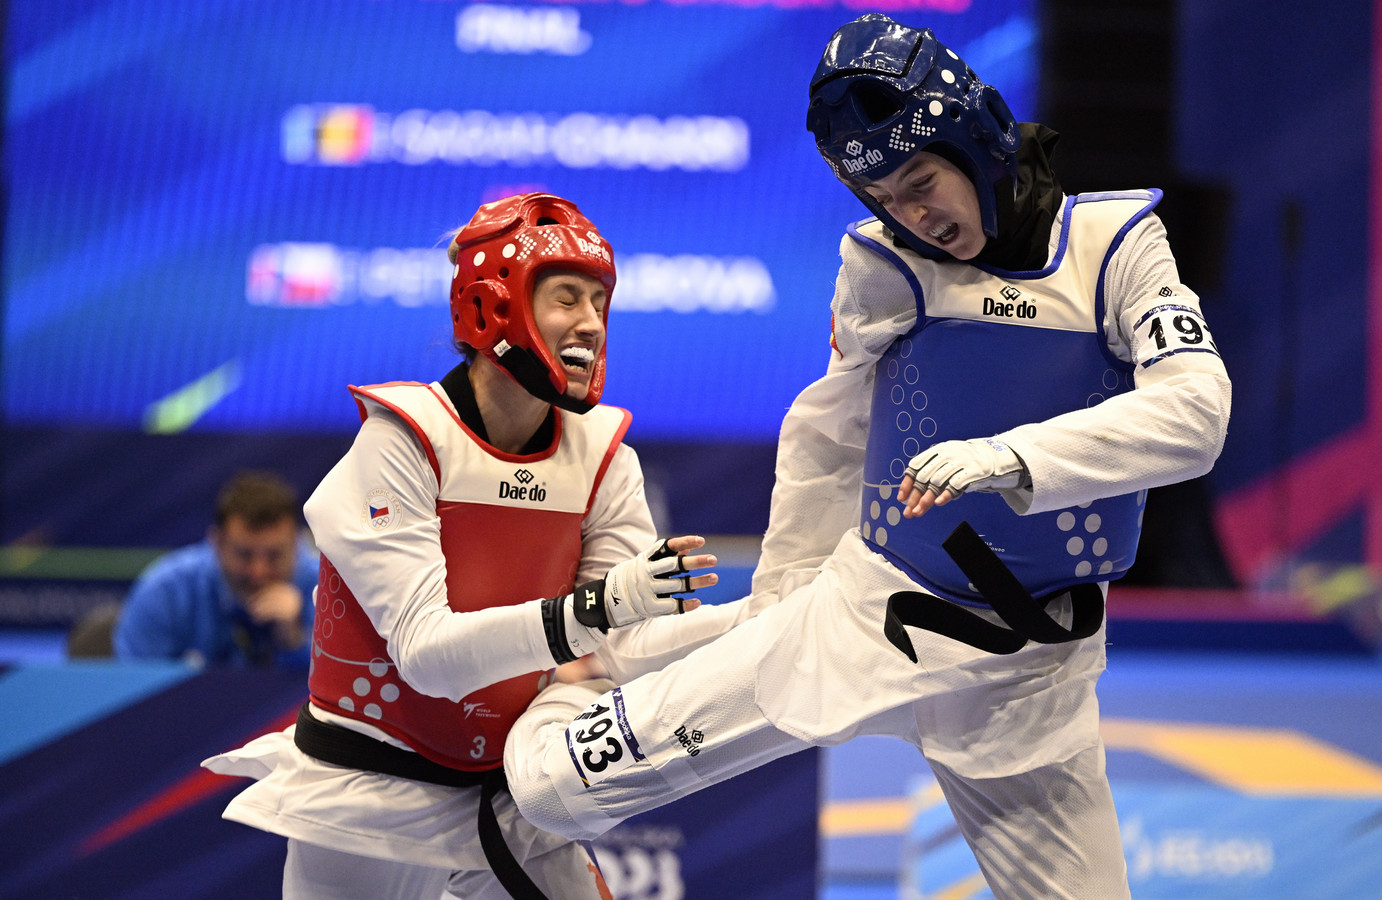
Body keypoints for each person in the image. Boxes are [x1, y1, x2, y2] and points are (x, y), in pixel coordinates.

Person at [502, 16, 1231, 900]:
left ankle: (633, 652)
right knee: (550, 787)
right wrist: (780, 607)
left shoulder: (1116, 247)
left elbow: (1195, 414)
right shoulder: (884, 264)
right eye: (884, 195)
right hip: (869, 612)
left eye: (921, 180)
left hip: (1032, 674)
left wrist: (1011, 456)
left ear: (979, 136)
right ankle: (585, 670)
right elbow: (829, 435)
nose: (913, 213)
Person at [202, 193, 743, 900]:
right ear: (495, 307)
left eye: (600, 301)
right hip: (370, 789)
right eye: (567, 298)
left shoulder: (605, 454)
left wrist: (767, 613)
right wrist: (599, 608)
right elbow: (429, 656)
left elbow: (624, 644)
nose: (591, 322)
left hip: (512, 787)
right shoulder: (402, 441)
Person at [114, 470, 318, 668]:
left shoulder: (326, 592)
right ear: (217, 542)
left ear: (296, 543)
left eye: (274, 556)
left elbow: (336, 694)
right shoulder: (165, 592)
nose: (258, 572)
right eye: (244, 555)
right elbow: (137, 692)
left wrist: (294, 641)